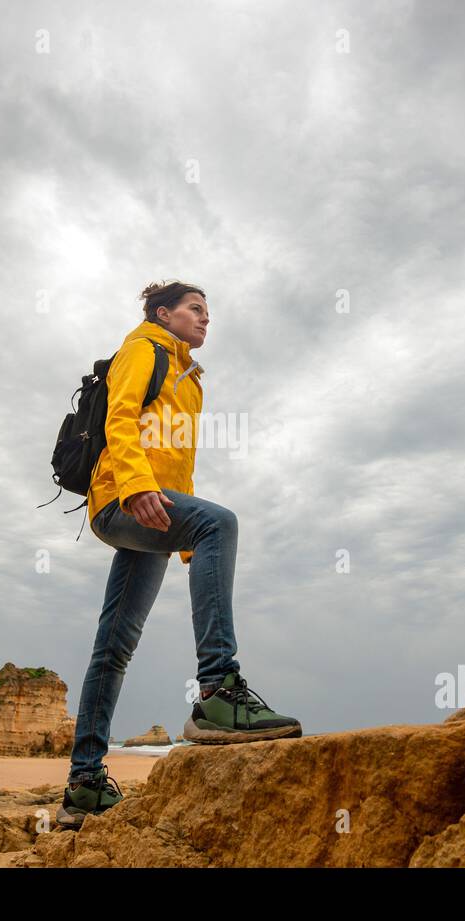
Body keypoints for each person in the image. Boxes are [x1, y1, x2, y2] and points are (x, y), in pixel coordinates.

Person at [56, 281, 302, 829]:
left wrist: (190, 543)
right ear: (163, 313)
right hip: (127, 498)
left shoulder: (189, 377)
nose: (206, 319)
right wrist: (138, 487)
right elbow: (120, 418)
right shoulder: (143, 348)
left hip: (155, 511)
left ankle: (84, 784)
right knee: (224, 520)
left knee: (114, 646)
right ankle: (218, 690)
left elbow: (180, 466)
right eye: (196, 309)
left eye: (208, 312)